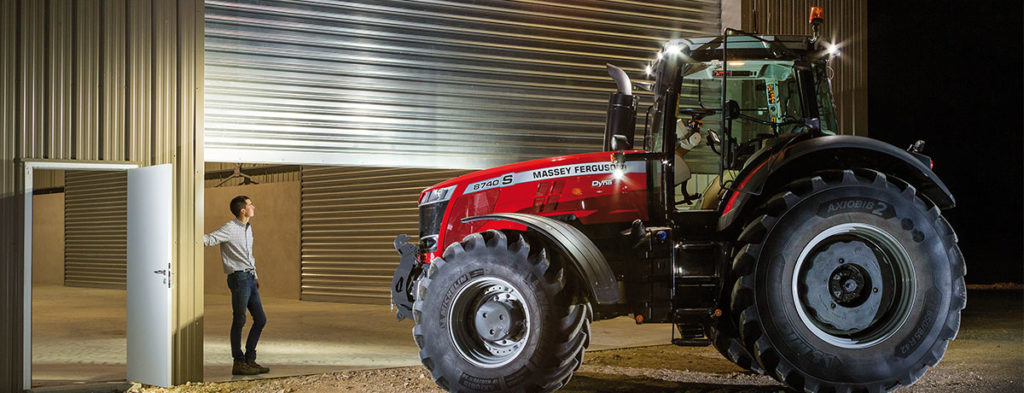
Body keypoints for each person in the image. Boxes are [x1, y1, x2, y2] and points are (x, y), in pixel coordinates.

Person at [203, 195, 270, 376]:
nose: (253, 207)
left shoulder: (248, 228)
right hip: (239, 278)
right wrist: (185, 233)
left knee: (261, 319)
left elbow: (249, 254)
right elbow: (208, 240)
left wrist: (255, 275)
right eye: (250, 205)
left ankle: (250, 359)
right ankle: (238, 362)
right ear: (242, 210)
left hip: (249, 277)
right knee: (239, 320)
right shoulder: (229, 228)